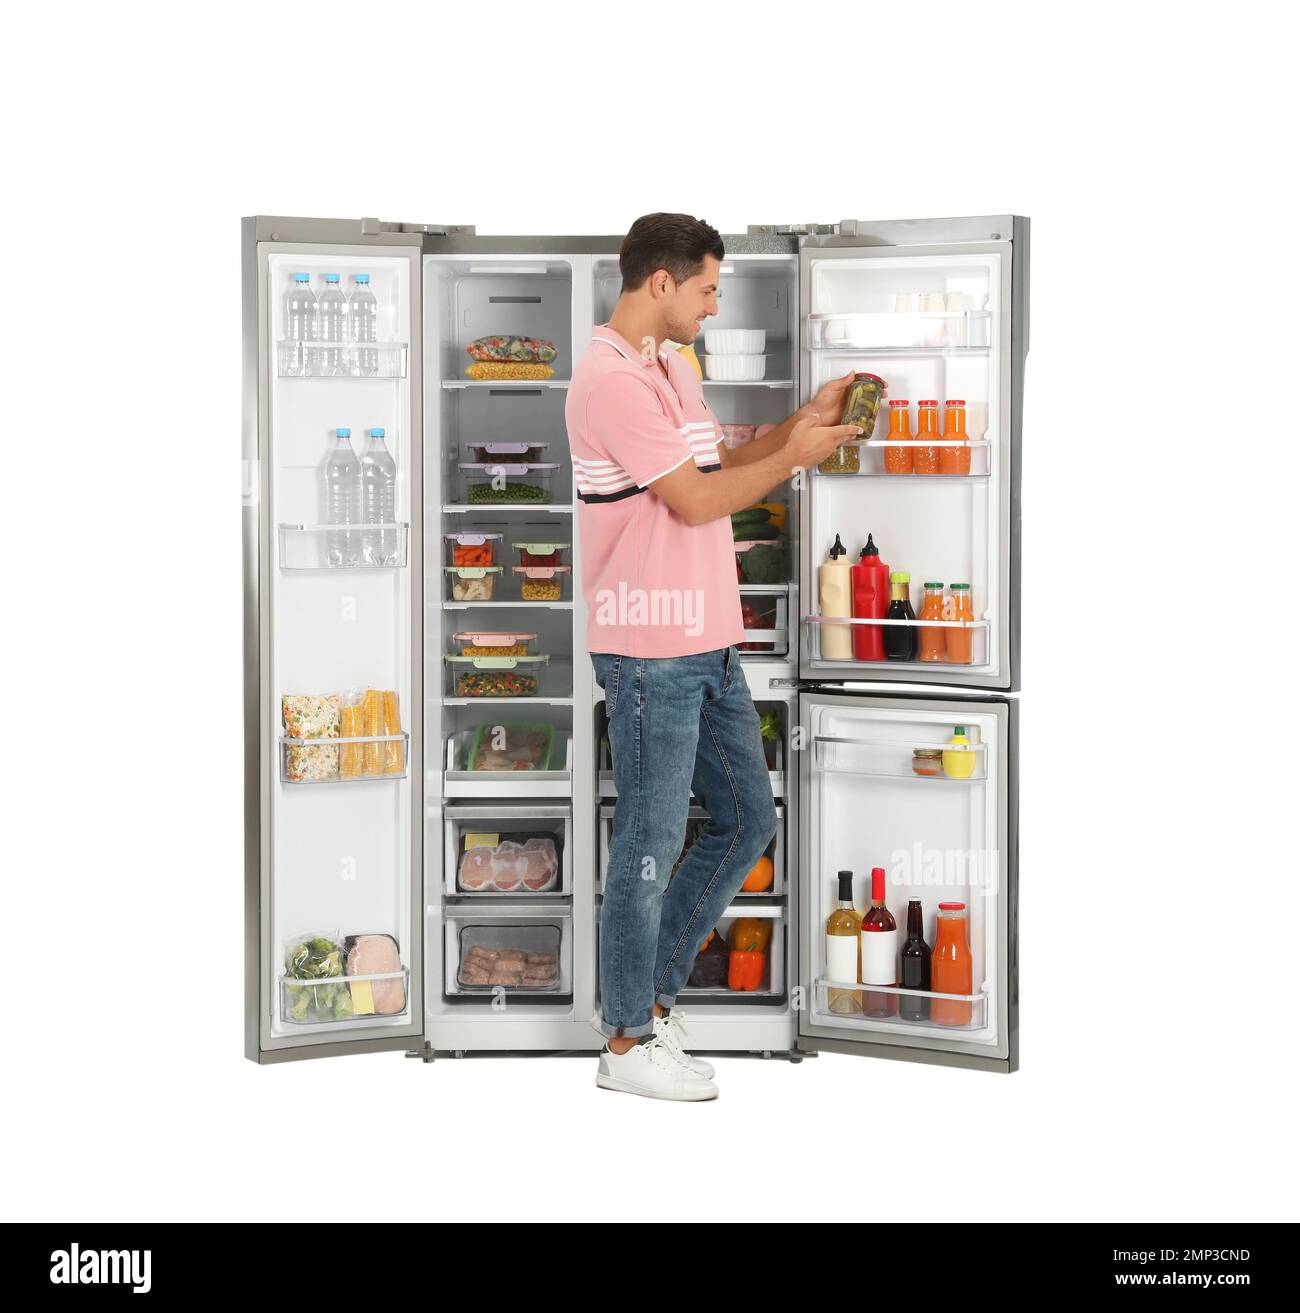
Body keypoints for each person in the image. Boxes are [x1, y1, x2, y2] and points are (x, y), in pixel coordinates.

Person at [565, 212, 860, 1100]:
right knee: (649, 846)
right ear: (660, 283)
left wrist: (797, 427)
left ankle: (645, 1004)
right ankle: (624, 1045)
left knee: (746, 821)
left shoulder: (671, 366)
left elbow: (720, 455)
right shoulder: (608, 380)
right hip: (650, 651)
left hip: (708, 640)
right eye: (705, 288)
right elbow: (696, 503)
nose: (713, 303)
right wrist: (797, 458)